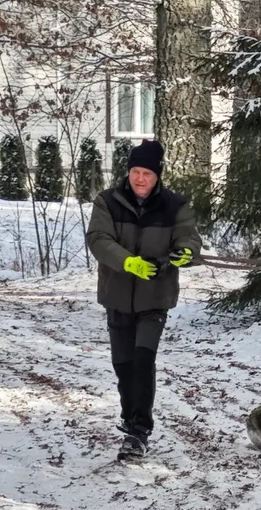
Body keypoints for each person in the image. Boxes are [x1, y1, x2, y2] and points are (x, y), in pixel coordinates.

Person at [85, 139, 202, 460]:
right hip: (117, 294)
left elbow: (189, 236)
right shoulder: (108, 202)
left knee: (142, 359)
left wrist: (186, 253)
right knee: (122, 364)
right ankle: (129, 415)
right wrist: (128, 262)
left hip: (155, 296)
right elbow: (98, 239)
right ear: (128, 171)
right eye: (135, 171)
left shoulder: (175, 206)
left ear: (157, 176)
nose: (139, 178)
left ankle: (139, 429)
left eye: (146, 173)